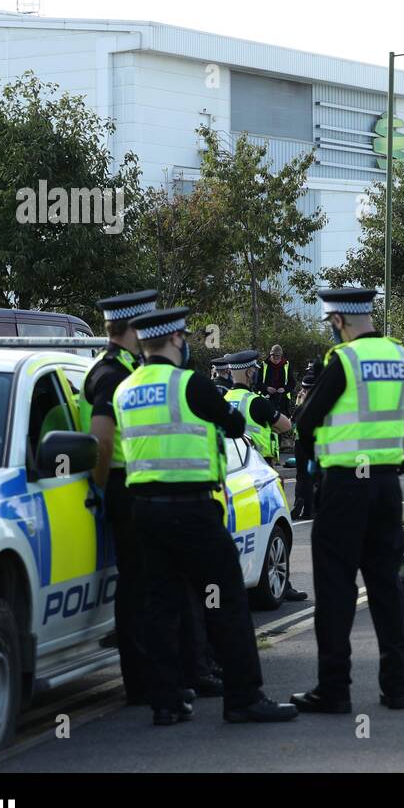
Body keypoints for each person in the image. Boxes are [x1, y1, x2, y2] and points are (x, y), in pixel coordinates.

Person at [113, 307, 296, 726]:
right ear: (176, 339)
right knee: (227, 596)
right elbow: (232, 424)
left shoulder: (126, 389)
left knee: (160, 605)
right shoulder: (189, 384)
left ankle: (167, 702)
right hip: (192, 509)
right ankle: (244, 698)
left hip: (144, 512)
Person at [290, 287, 404, 714]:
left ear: (338, 322)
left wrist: (313, 472)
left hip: (345, 486)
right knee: (386, 585)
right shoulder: (401, 355)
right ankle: (396, 686)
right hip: (387, 487)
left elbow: (305, 422)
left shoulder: (342, 360)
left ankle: (334, 689)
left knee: (335, 588)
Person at [80, 291, 220, 706]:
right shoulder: (109, 374)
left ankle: (178, 676)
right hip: (130, 487)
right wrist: (104, 490)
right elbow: (102, 442)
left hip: (148, 487)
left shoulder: (129, 369)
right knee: (142, 591)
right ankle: (144, 684)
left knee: (163, 588)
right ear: (134, 327)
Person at [223, 350, 293, 464]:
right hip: (258, 465)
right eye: (255, 369)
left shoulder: (223, 399)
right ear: (250, 372)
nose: (256, 372)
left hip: (232, 464)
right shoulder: (256, 401)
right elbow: (286, 425)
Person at [290, 363, 319, 520]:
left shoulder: (301, 403)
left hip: (299, 443)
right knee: (313, 476)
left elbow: (292, 421)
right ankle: (310, 508)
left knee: (301, 476)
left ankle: (299, 501)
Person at [262, 344, 294, 419]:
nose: (276, 358)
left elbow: (292, 383)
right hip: (267, 399)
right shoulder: (264, 365)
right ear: (270, 355)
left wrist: (284, 389)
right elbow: (257, 383)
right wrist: (266, 388)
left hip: (283, 400)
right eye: (273, 356)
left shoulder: (286, 365)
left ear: (281, 356)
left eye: (278, 356)